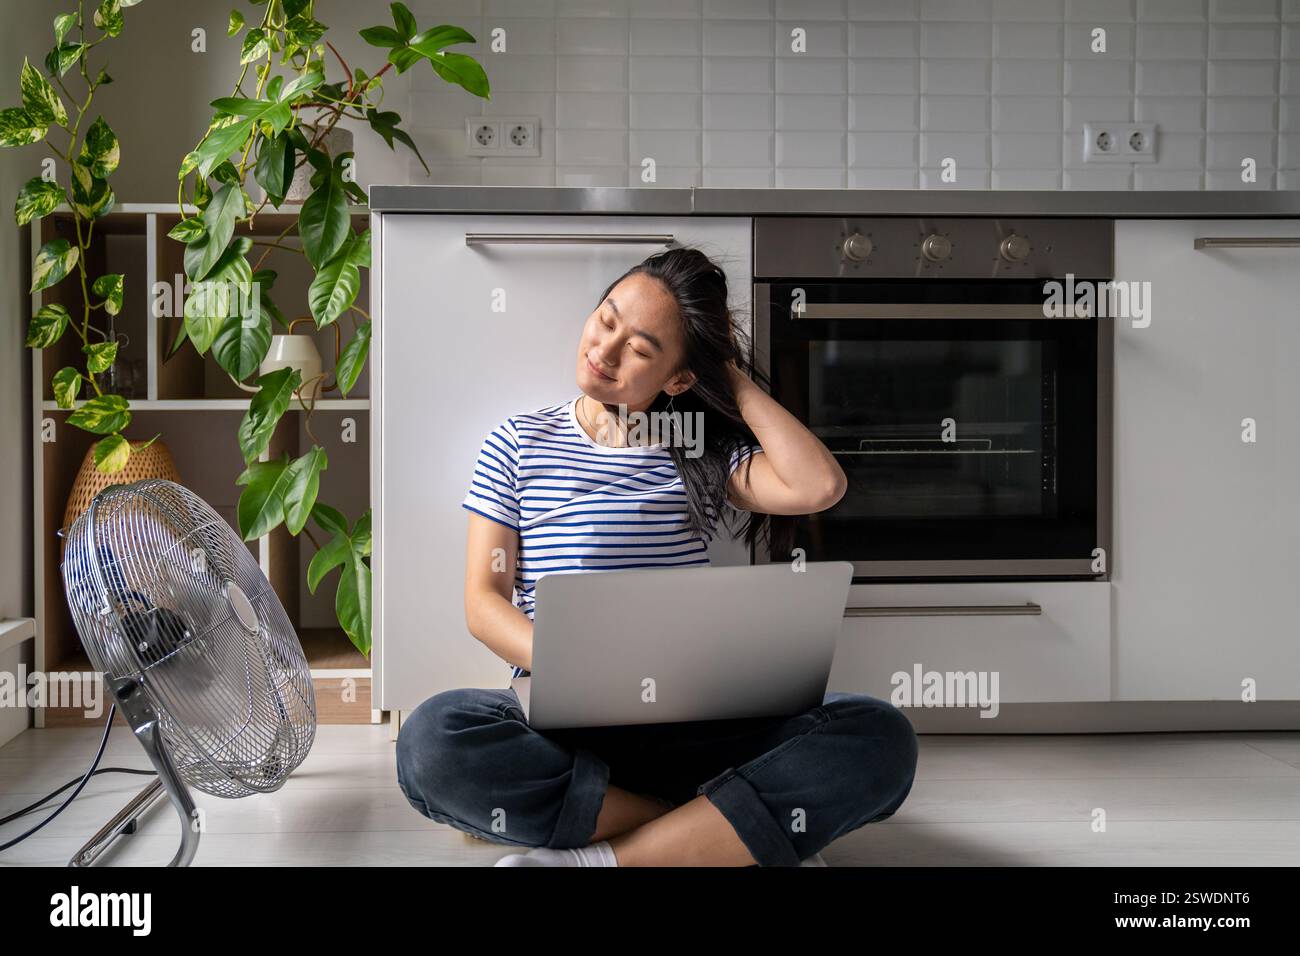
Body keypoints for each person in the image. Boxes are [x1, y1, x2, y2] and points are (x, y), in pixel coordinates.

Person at [395, 247, 919, 867]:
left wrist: (726, 376)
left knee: (880, 737)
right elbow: (485, 605)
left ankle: (603, 859)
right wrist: (581, 672)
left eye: (641, 350)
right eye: (607, 319)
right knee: (432, 742)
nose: (605, 350)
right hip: (567, 722)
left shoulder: (697, 449)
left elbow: (818, 487)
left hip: (696, 721)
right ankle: (724, 832)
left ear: (678, 379)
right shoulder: (517, 441)